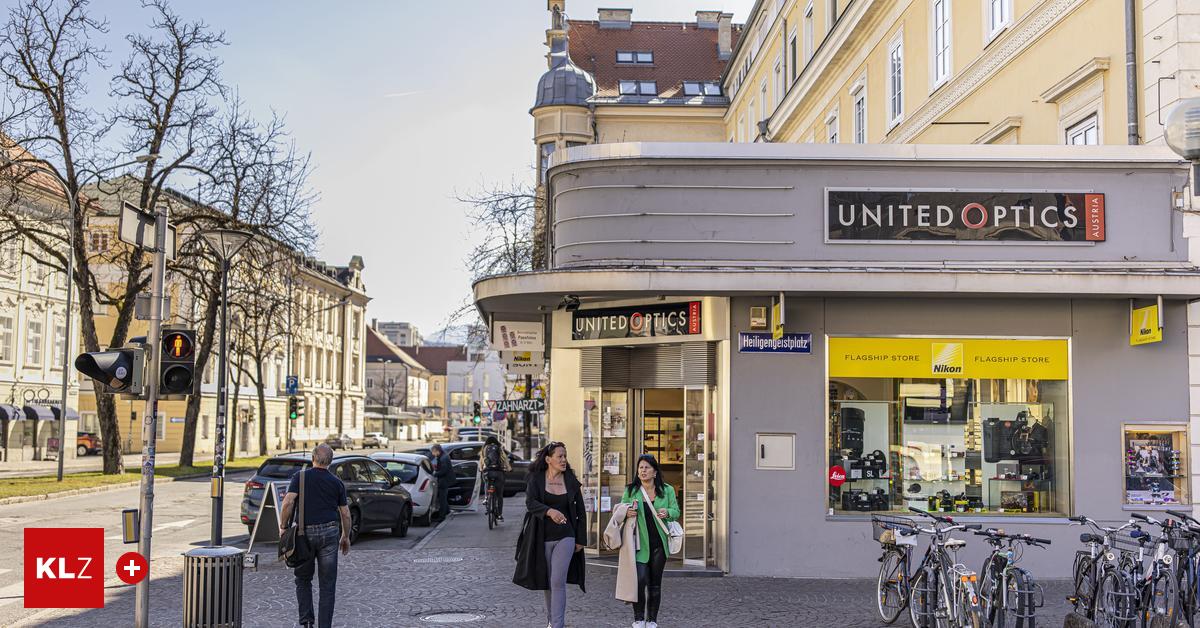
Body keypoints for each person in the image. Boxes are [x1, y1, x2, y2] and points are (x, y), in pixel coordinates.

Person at [513, 442, 587, 628]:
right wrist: (549, 511)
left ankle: (557, 625)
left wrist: (580, 539)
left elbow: (581, 512)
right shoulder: (536, 479)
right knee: (547, 582)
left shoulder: (570, 480)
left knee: (557, 580)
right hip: (541, 537)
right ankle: (552, 620)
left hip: (566, 535)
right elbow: (530, 503)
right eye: (559, 456)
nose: (563, 460)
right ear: (548, 459)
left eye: (565, 456)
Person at [278, 444, 351, 628]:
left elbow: (288, 502)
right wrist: (345, 536)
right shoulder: (336, 482)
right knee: (327, 585)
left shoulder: (300, 477)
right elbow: (345, 513)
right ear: (331, 461)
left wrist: (283, 527)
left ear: (313, 458)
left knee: (303, 579)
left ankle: (307, 622)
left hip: (304, 534)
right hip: (330, 534)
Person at [621, 454, 679, 628]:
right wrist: (627, 512)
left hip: (659, 545)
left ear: (655, 472)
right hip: (639, 545)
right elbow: (620, 509)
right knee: (639, 580)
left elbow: (676, 511)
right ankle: (638, 619)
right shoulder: (631, 490)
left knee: (655, 583)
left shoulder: (666, 490)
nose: (643, 470)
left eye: (646, 467)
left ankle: (652, 620)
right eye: (640, 468)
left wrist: (667, 512)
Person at [478, 435, 512, 521]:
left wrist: (481, 468)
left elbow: (481, 460)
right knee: (499, 495)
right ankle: (499, 515)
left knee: (486, 482)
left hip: (488, 472)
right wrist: (509, 468)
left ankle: (486, 498)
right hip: (498, 472)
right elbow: (505, 459)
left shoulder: (484, 448)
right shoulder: (499, 448)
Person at [431, 443, 453, 523]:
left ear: (437, 451)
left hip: (444, 481)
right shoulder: (443, 456)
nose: (432, 454)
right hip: (445, 480)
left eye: (433, 452)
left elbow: (444, 470)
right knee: (443, 498)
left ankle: (441, 517)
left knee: (442, 500)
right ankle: (447, 511)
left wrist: (435, 473)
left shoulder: (443, 458)